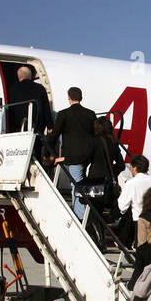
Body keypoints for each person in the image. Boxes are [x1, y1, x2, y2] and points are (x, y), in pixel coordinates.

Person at [46, 87, 97, 219]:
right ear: (81, 98)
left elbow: (55, 135)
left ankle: (80, 217)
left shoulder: (64, 114)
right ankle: (82, 213)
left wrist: (47, 151)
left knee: (76, 185)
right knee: (80, 182)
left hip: (73, 157)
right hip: (88, 156)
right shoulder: (90, 114)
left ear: (69, 98)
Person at [117, 155, 151, 245]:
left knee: (141, 248)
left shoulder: (131, 183)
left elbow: (122, 206)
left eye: (131, 167)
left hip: (140, 222)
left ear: (135, 168)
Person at [6, 64, 52, 136]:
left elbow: (10, 110)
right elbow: (46, 109)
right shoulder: (40, 88)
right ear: (30, 76)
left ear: (19, 76)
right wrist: (50, 126)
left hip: (17, 129)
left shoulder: (12, 90)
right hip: (37, 129)